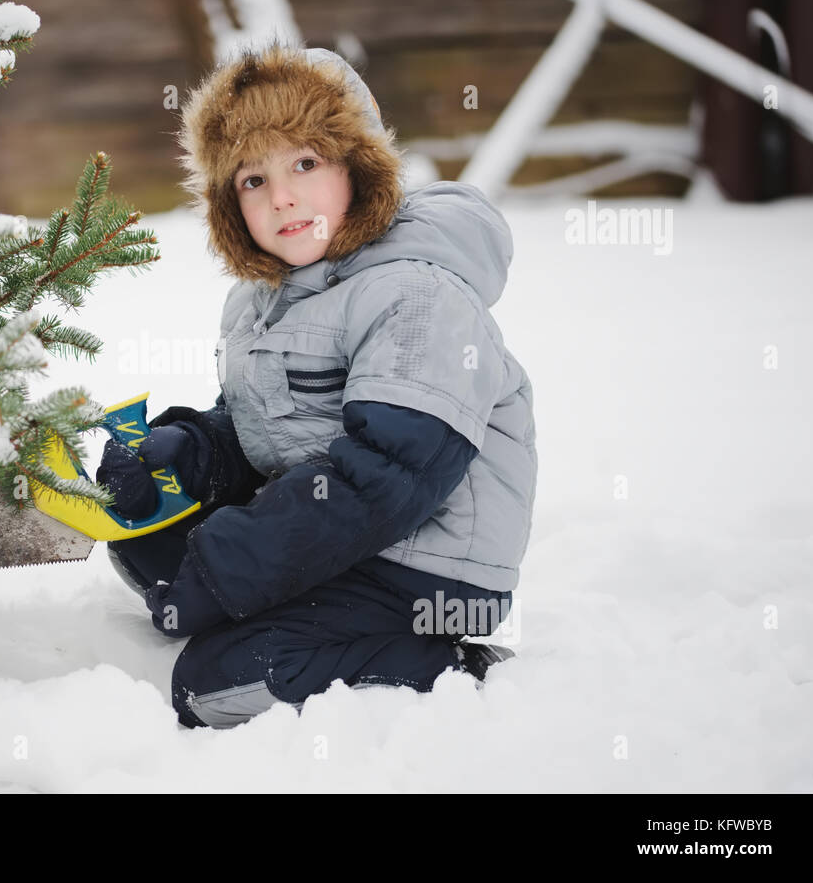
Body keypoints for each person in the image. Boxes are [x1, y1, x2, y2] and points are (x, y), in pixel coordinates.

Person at [96, 40, 538, 729]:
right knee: (147, 533)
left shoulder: (417, 294)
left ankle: (449, 663)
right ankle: (267, 593)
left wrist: (233, 563)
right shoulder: (262, 298)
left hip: (427, 564)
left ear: (357, 164)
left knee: (213, 683)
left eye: (305, 162)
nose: (283, 197)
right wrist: (190, 452)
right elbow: (268, 428)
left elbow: (382, 478)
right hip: (349, 531)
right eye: (252, 179)